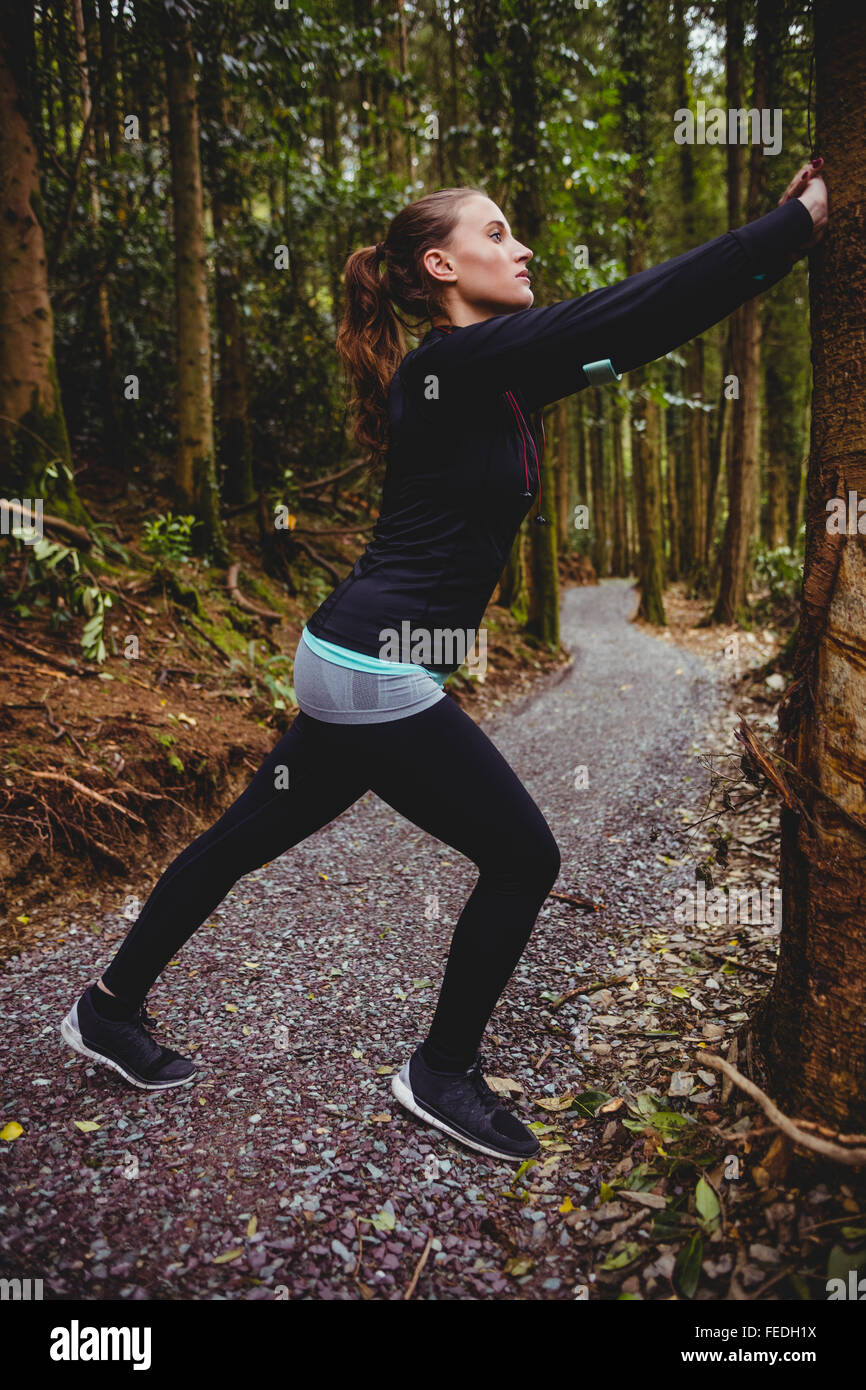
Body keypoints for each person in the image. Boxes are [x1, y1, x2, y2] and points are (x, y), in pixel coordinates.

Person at [61, 162, 827, 1163]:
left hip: (350, 657)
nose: (521, 250)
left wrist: (770, 248)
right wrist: (788, 226)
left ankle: (106, 1005)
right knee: (523, 854)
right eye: (498, 234)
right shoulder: (450, 363)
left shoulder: (490, 374)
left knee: (252, 832)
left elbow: (631, 330)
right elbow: (614, 310)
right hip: (375, 664)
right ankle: (440, 1070)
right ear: (440, 264)